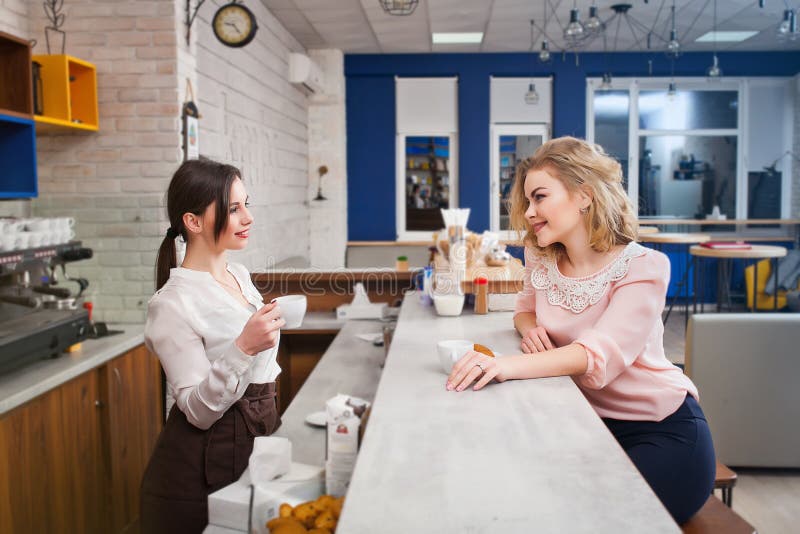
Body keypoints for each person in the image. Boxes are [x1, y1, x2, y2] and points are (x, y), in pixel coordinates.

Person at [446, 137, 715, 525]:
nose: (530, 211)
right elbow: (523, 311)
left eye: (539, 197)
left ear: (583, 196)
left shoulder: (644, 267)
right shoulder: (543, 255)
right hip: (587, 425)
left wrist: (503, 365)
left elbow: (597, 354)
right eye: (527, 201)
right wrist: (531, 330)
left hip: (661, 433)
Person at [140, 159, 285, 533]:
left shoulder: (239, 275)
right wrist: (244, 347)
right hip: (197, 473)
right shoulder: (171, 304)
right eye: (234, 208)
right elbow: (197, 411)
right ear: (193, 221)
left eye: (245, 204)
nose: (248, 217)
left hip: (252, 445)